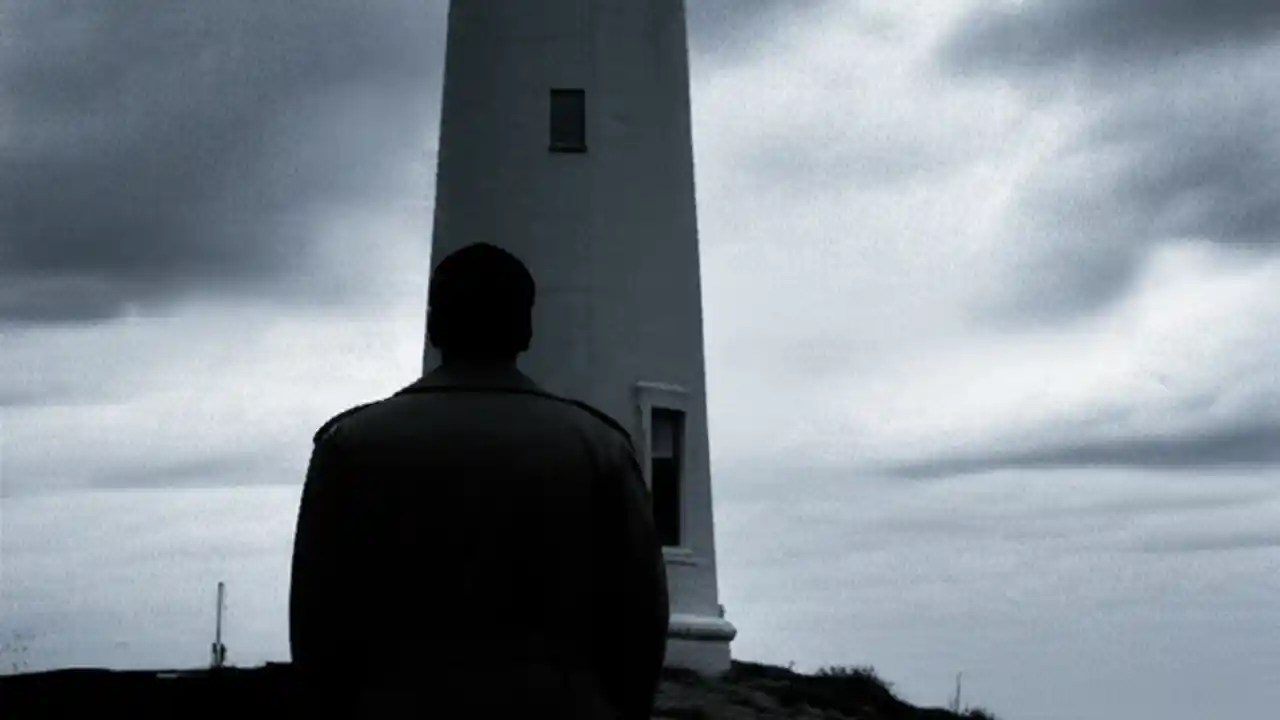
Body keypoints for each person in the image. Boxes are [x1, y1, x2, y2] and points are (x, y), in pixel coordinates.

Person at [289, 242, 669, 719]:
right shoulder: (600, 448)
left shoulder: (349, 445)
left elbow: (316, 622)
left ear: (433, 325)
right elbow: (641, 622)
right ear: (526, 329)